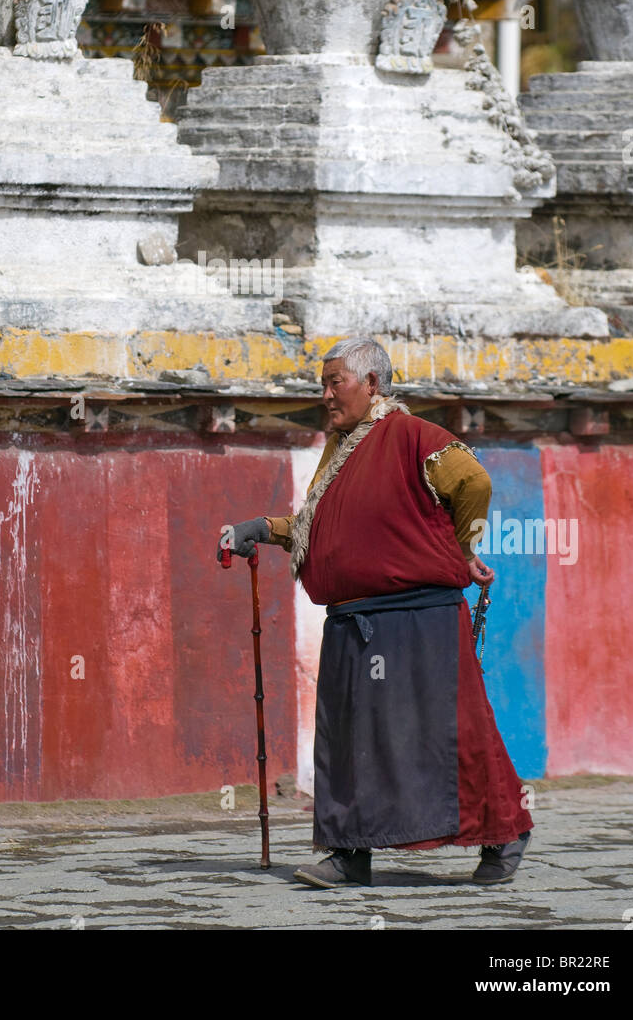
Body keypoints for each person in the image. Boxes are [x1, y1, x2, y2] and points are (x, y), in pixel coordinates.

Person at [218, 336, 533, 889]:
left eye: (334, 381)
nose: (325, 394)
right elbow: (314, 528)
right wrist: (261, 530)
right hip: (351, 621)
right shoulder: (341, 450)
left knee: (448, 732)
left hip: (419, 619)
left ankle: (503, 831)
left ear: (372, 384)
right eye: (324, 382)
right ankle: (349, 853)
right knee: (347, 738)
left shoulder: (412, 436)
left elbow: (475, 482)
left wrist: (460, 552)